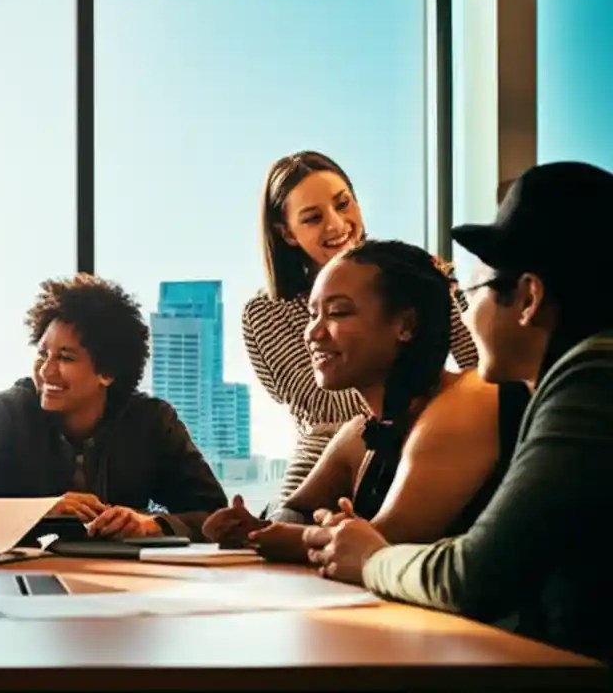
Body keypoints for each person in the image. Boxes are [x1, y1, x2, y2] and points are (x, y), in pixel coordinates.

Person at [305, 162, 613, 662]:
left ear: (529, 298)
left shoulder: (592, 379)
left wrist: (373, 559)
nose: (466, 317)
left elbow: (473, 577)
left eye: (472, 293)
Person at [204, 240, 527, 562]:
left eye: (338, 312)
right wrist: (250, 528)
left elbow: (384, 544)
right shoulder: (360, 433)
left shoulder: (471, 398)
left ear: (406, 326)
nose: (313, 333)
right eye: (312, 314)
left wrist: (297, 537)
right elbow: (294, 515)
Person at [242, 151, 478, 508]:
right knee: (280, 534)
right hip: (322, 456)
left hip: (421, 435)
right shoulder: (265, 312)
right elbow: (322, 405)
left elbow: (476, 361)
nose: (337, 224)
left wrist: (437, 290)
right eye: (313, 218)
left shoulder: (409, 275)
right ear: (286, 233)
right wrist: (416, 384)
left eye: (343, 204)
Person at [0, 274, 227, 539]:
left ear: (107, 372)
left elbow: (216, 515)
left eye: (65, 358)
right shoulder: (8, 413)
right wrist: (42, 510)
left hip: (123, 579)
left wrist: (150, 525)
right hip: (20, 579)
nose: (46, 371)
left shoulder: (152, 422)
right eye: (43, 354)